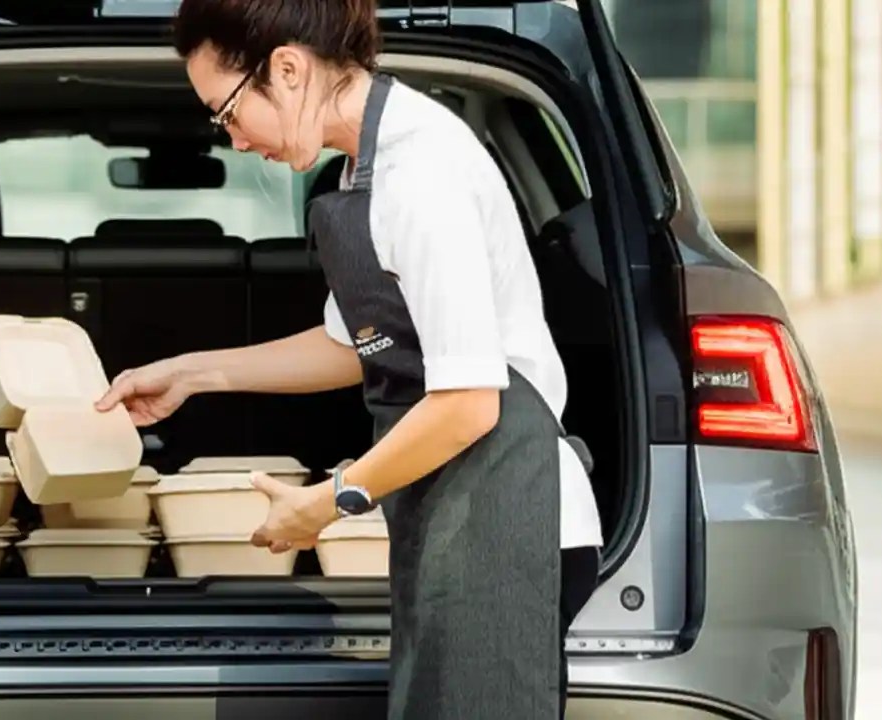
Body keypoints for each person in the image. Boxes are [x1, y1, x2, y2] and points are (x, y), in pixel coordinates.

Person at [93, 0, 603, 716]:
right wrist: (192, 374)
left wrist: (330, 503)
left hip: (511, 517)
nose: (234, 140)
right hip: (455, 512)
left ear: (289, 69)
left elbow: (468, 402)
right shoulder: (365, 172)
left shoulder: (420, 177)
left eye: (227, 112)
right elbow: (354, 344)